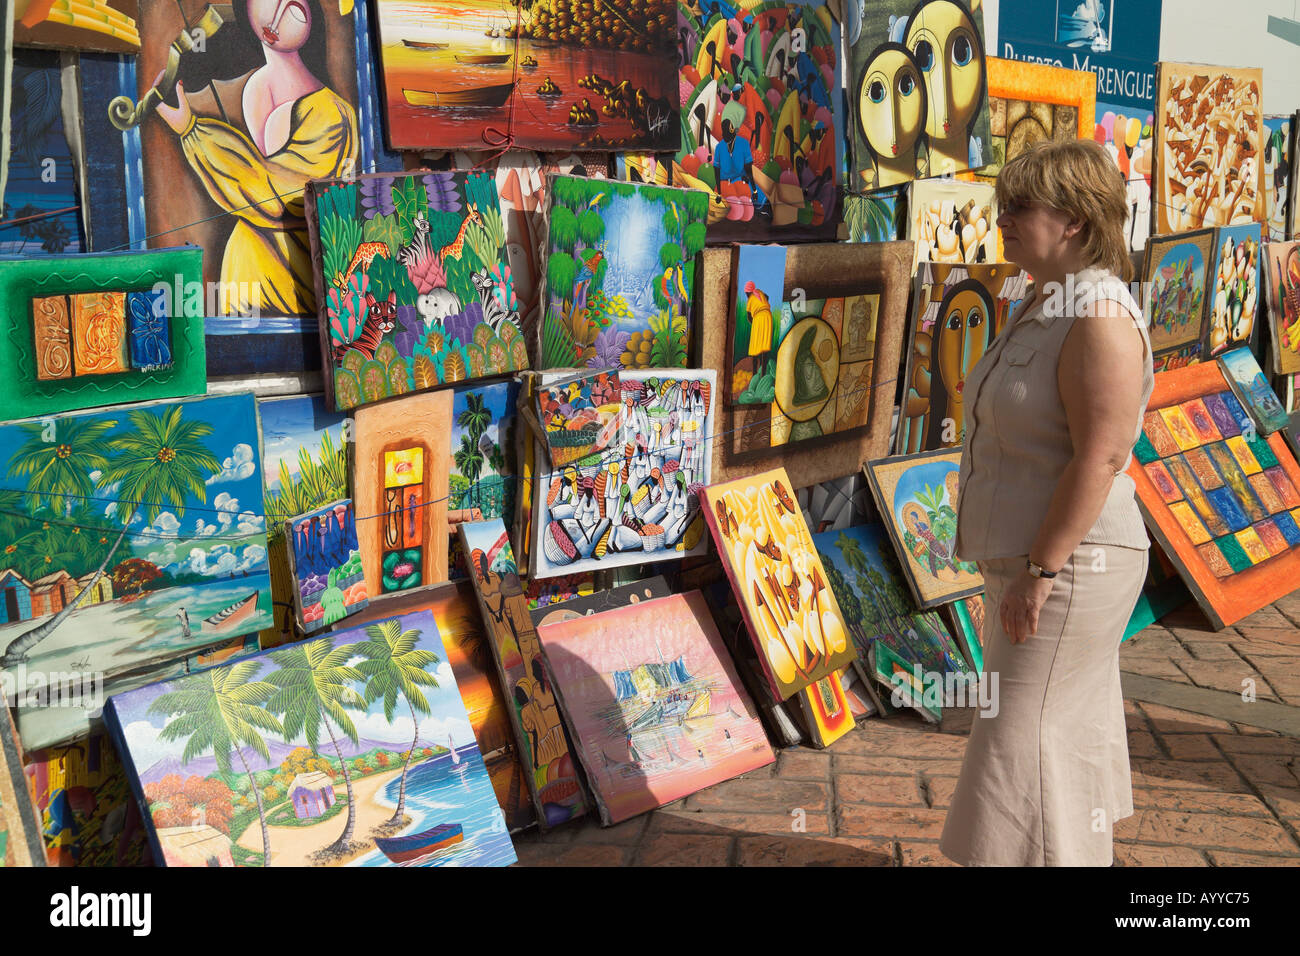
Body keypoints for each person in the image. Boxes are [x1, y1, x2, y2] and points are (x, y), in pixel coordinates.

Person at [938, 139, 1153, 867]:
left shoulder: (1098, 315)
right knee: (1057, 737)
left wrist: (1041, 569)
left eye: (1020, 206)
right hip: (1047, 559)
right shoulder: (1046, 299)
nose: (1003, 219)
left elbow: (1102, 455)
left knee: (1017, 741)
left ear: (1075, 220)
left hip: (1071, 564)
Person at [152, 0, 357, 316]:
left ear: (313, 18)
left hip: (303, 273)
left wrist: (194, 131)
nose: (275, 18)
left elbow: (279, 195)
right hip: (247, 271)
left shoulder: (331, 115)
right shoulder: (249, 87)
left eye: (293, 8)